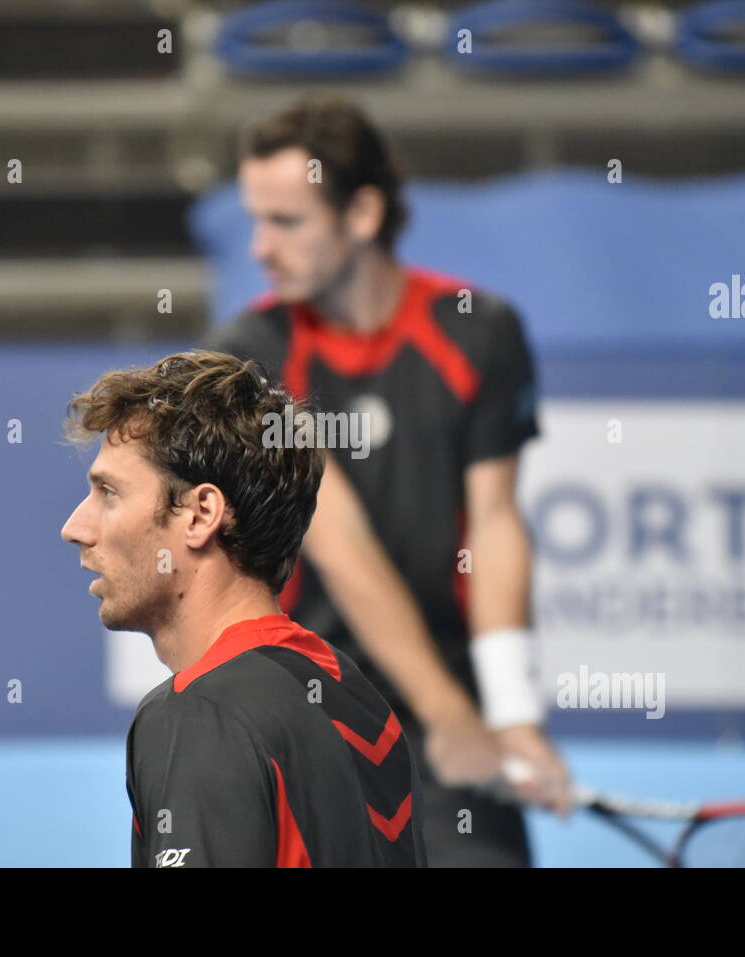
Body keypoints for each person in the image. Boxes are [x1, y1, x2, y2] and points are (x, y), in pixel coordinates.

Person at [204, 94, 572, 867]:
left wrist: (511, 715)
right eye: (254, 220)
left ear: (363, 213)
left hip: (448, 685)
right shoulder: (250, 352)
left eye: (287, 221)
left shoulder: (481, 330)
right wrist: (450, 719)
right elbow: (343, 548)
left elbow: (497, 524)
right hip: (303, 699)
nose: (260, 247)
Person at [60, 350, 428, 867]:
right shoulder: (355, 698)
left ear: (200, 514)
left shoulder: (196, 714)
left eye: (109, 493)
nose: (76, 527)